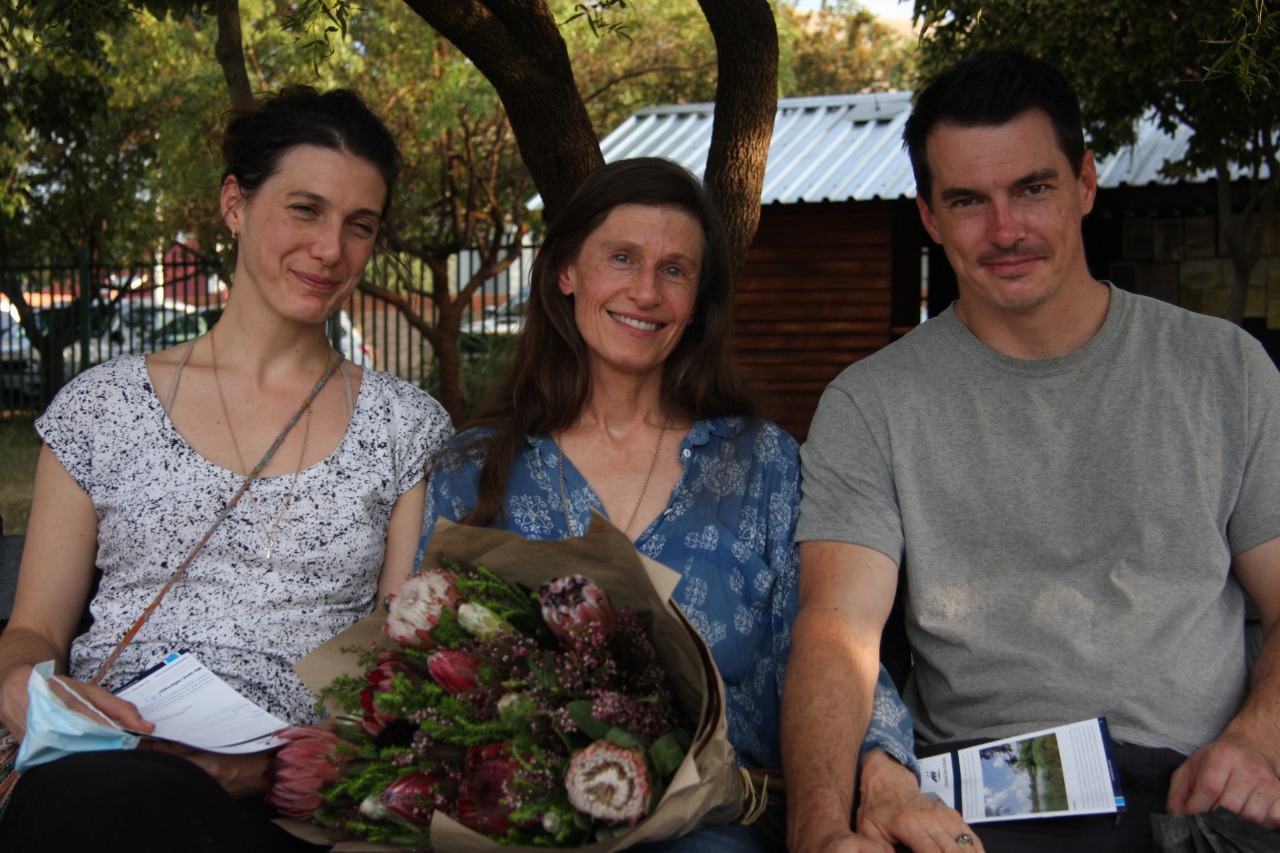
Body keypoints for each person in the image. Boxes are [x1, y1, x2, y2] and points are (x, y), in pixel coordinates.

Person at [782, 47, 1280, 853]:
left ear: (1085, 183)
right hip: (987, 802)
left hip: (1204, 785)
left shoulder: (1224, 370)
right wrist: (818, 831)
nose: (1006, 229)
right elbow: (836, 629)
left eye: (1033, 188)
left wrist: (1261, 737)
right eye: (969, 200)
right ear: (929, 217)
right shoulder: (871, 404)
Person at [418, 157, 918, 852]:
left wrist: (887, 774)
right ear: (566, 271)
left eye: (676, 269)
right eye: (622, 257)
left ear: (698, 296)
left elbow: (825, 643)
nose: (646, 291)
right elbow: (424, 673)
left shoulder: (760, 465)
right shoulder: (473, 470)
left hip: (715, 829)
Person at [0, 86, 453, 851]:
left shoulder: (404, 427)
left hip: (300, 789)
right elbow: (36, 627)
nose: (330, 250)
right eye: (304, 209)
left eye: (359, 225)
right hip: (109, 764)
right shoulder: (102, 407)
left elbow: (399, 662)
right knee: (127, 803)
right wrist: (19, 686)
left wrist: (269, 767)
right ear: (235, 204)